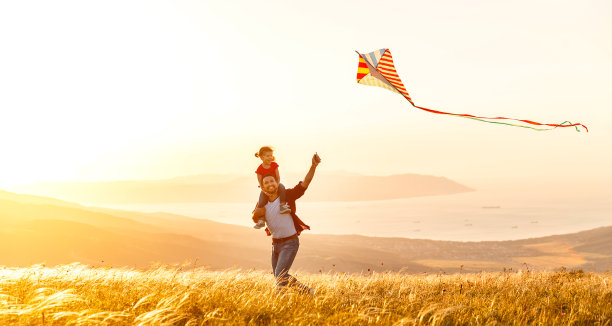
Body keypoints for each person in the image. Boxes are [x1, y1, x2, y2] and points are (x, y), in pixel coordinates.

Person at [252, 152, 321, 293]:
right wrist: (257, 214)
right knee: (279, 278)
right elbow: (254, 217)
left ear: (276, 182)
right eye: (266, 182)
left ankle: (286, 300)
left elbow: (305, 184)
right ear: (262, 186)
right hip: (275, 244)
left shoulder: (287, 196)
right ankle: (308, 292)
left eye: (272, 181)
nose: (270, 184)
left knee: (280, 276)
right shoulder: (262, 202)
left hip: (290, 242)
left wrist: (313, 166)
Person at [253, 146, 290, 229]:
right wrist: (265, 191)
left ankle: (282, 206)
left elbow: (278, 177)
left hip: (275, 184)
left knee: (282, 187)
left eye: (271, 155)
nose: (270, 157)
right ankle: (261, 220)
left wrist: (276, 185)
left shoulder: (274, 165)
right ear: (262, 157)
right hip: (265, 188)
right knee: (261, 202)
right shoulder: (259, 169)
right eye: (267, 156)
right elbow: (260, 183)